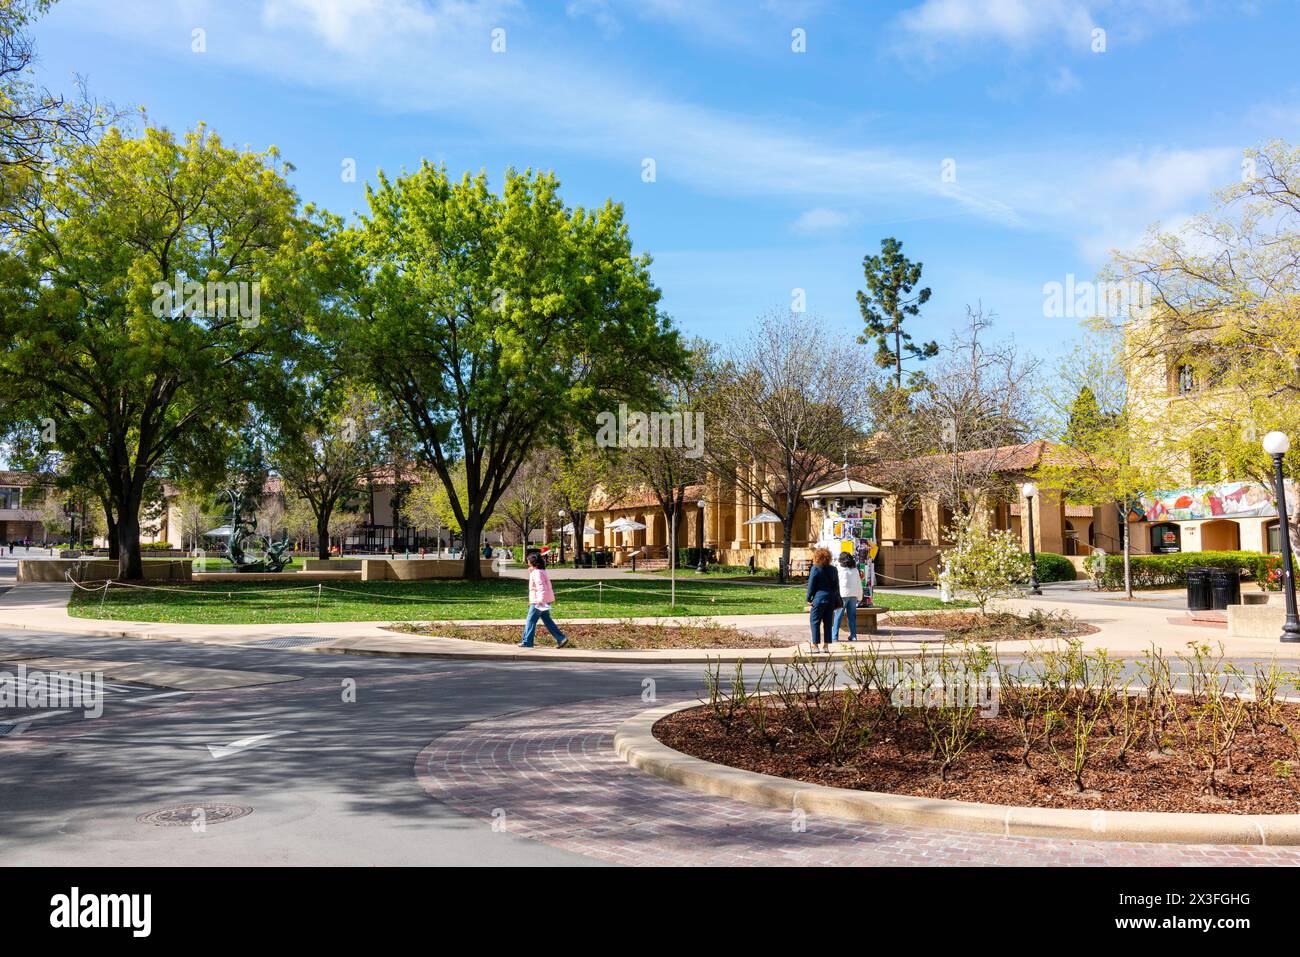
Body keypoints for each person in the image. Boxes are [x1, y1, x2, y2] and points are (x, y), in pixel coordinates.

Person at [519, 551, 569, 648]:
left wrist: (540, 600)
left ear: (532, 561)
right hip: (545, 600)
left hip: (538, 601)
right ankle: (561, 638)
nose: (527, 561)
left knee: (530, 620)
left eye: (528, 560)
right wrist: (531, 571)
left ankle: (527, 642)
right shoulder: (541, 571)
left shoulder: (537, 573)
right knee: (547, 620)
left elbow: (541, 586)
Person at [804, 547, 841, 654]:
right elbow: (836, 586)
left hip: (819, 598)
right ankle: (826, 646)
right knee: (828, 622)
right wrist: (836, 599)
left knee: (815, 621)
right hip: (831, 599)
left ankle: (815, 646)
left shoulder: (815, 568)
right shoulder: (833, 569)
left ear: (817, 557)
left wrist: (808, 598)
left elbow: (811, 585)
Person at [833, 552, 864, 641]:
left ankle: (834, 636)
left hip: (843, 595)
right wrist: (859, 596)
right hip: (853, 595)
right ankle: (853, 636)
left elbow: (836, 584)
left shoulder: (838, 569)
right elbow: (859, 584)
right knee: (852, 617)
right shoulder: (855, 570)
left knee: (838, 616)